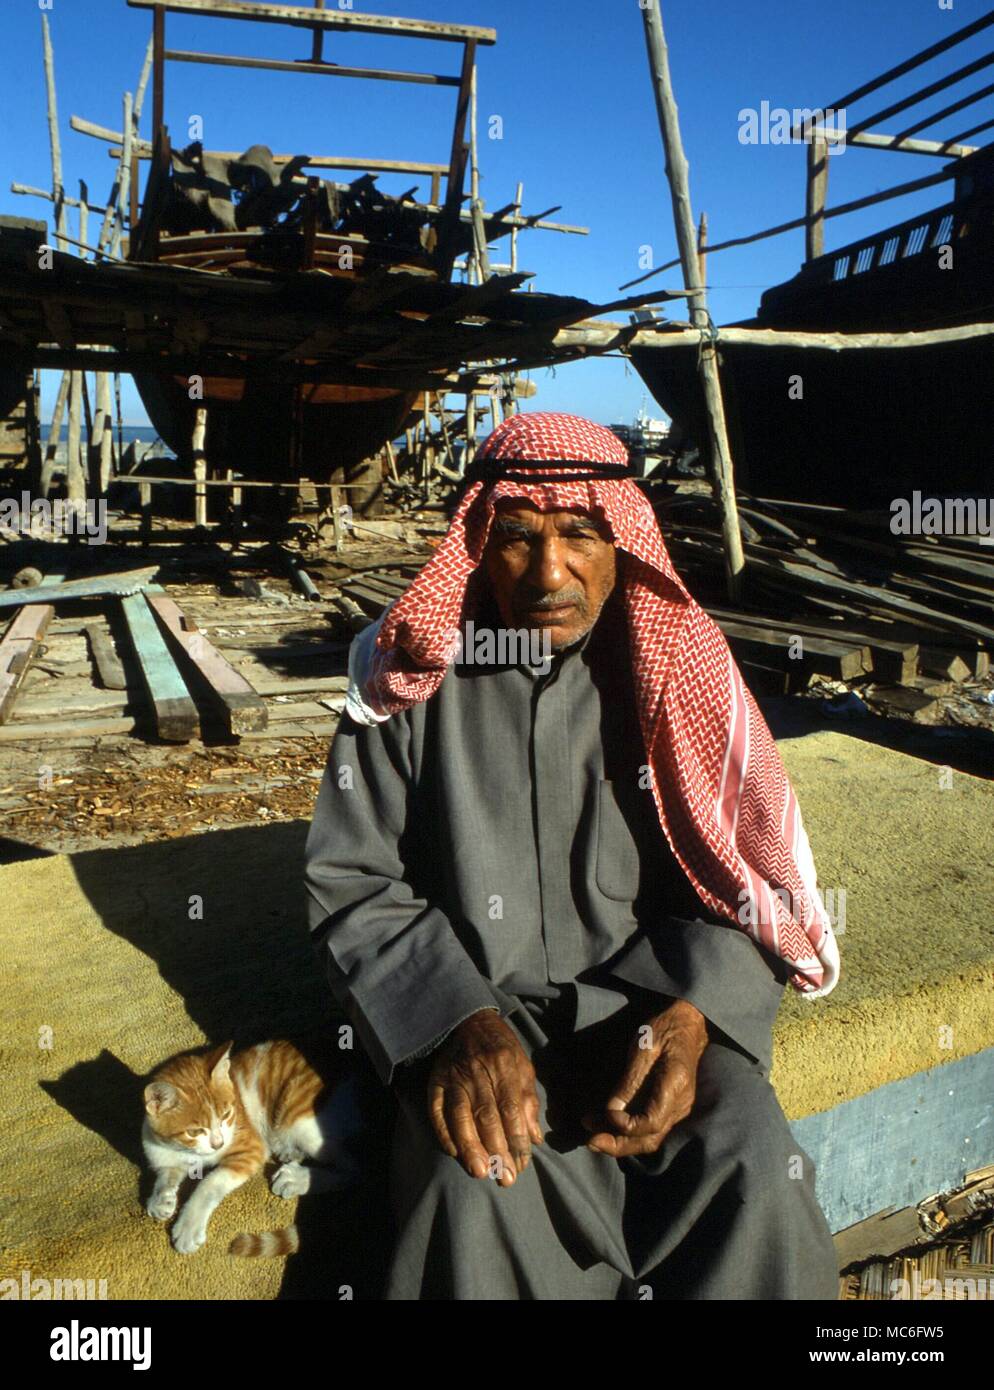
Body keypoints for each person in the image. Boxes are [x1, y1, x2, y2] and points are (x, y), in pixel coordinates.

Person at [305, 412, 841, 1300]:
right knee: (471, 1188)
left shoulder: (676, 674)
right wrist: (452, 1025)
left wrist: (697, 1012)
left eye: (580, 536)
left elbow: (743, 882)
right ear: (478, 543)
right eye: (515, 539)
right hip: (480, 1011)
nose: (549, 574)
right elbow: (355, 883)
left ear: (623, 541)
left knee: (752, 1165)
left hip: (649, 1008)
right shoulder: (405, 674)